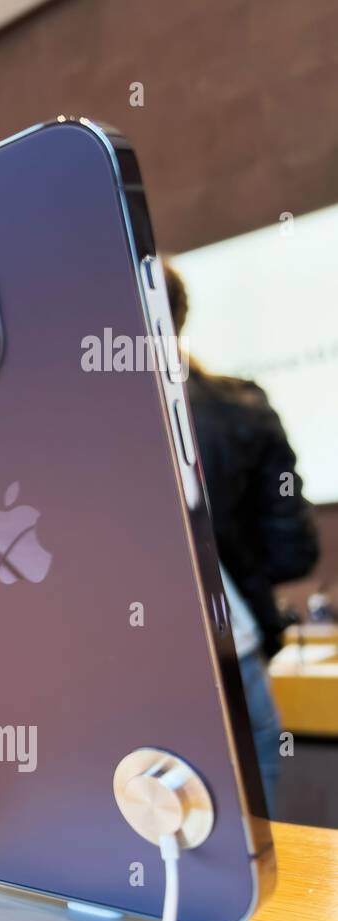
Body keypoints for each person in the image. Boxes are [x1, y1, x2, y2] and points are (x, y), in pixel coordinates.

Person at [166, 263, 319, 815]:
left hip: (126, 656)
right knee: (256, 816)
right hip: (232, 638)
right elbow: (294, 549)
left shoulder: (77, 421)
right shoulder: (240, 407)